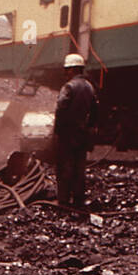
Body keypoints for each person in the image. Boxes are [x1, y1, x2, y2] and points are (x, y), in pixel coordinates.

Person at [54, 53, 98, 209]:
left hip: (67, 134)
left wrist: (57, 132)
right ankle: (78, 201)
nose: (66, 73)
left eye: (67, 70)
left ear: (72, 70)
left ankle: (64, 202)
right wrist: (90, 129)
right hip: (82, 135)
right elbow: (94, 111)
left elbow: (60, 110)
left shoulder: (68, 87)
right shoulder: (89, 87)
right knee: (79, 169)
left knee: (64, 168)